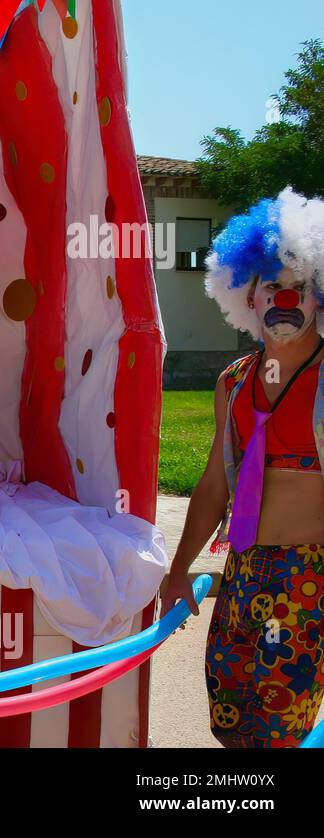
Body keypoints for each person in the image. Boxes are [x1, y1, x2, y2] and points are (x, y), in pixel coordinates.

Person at [161, 188, 324, 748]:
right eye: (268, 286)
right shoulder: (233, 382)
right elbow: (213, 485)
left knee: (279, 731)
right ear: (246, 297)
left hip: (308, 580)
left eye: (296, 286)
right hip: (242, 570)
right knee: (229, 717)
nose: (283, 298)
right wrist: (179, 568)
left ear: (318, 295)